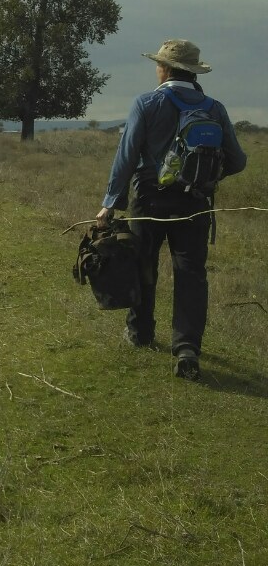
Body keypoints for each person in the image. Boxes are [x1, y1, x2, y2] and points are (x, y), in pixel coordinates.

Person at [96, 39, 246, 381]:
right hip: (195, 204)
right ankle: (187, 348)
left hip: (148, 200)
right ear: (192, 72)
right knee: (191, 274)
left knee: (143, 265)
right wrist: (206, 177)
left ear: (164, 68)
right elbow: (237, 160)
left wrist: (110, 203)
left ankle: (140, 333)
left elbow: (126, 156)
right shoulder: (214, 108)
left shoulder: (146, 103)